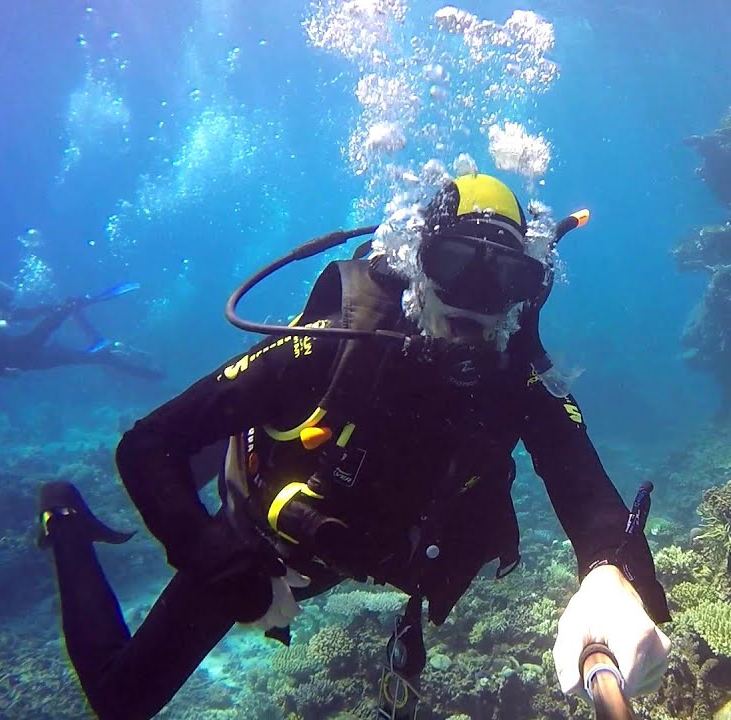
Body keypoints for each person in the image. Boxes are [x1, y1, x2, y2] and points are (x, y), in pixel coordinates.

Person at [38, 172, 672, 720]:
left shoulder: (515, 380)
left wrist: (609, 572)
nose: (473, 306)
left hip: (359, 545)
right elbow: (147, 446)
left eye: (502, 278)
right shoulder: (331, 348)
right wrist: (221, 565)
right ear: (420, 264)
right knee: (121, 700)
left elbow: (587, 493)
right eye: (455, 266)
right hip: (267, 540)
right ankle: (64, 517)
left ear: (524, 292)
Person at [0, 249, 161, 428]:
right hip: (5, 357)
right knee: (61, 356)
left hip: (5, 353)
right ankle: (106, 354)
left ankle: (70, 311)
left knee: (38, 343)